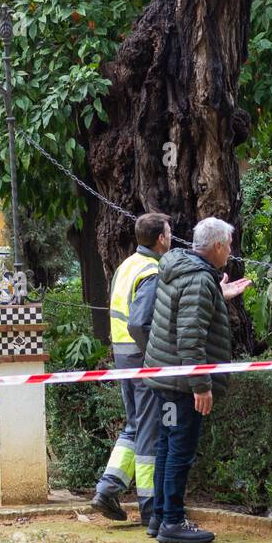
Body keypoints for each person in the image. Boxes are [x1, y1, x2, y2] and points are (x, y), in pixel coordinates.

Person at [144, 216, 251, 543]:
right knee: (180, 448)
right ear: (217, 246)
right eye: (229, 245)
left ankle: (160, 517)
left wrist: (219, 295)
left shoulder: (182, 268)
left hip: (166, 377)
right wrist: (201, 385)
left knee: (167, 443)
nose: (230, 252)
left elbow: (185, 313)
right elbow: (190, 337)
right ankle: (173, 522)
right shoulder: (199, 281)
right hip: (182, 384)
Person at [91, 212, 172, 526]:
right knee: (150, 433)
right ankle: (151, 508)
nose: (171, 236)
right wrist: (155, 355)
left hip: (123, 358)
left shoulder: (126, 265)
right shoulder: (152, 271)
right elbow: (140, 323)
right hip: (141, 360)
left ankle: (108, 489)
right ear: (161, 238)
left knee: (136, 425)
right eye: (169, 232)